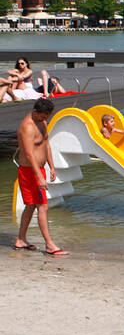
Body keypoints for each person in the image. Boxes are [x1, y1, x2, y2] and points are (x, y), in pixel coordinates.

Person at [14, 97, 67, 254]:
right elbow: (29, 154)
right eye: (43, 116)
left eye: (47, 117)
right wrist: (40, 177)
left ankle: (21, 240)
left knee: (31, 205)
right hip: (30, 171)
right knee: (42, 206)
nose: (45, 120)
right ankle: (50, 245)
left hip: (40, 169)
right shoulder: (27, 127)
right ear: (35, 112)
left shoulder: (41, 121)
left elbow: (46, 143)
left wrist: (51, 166)